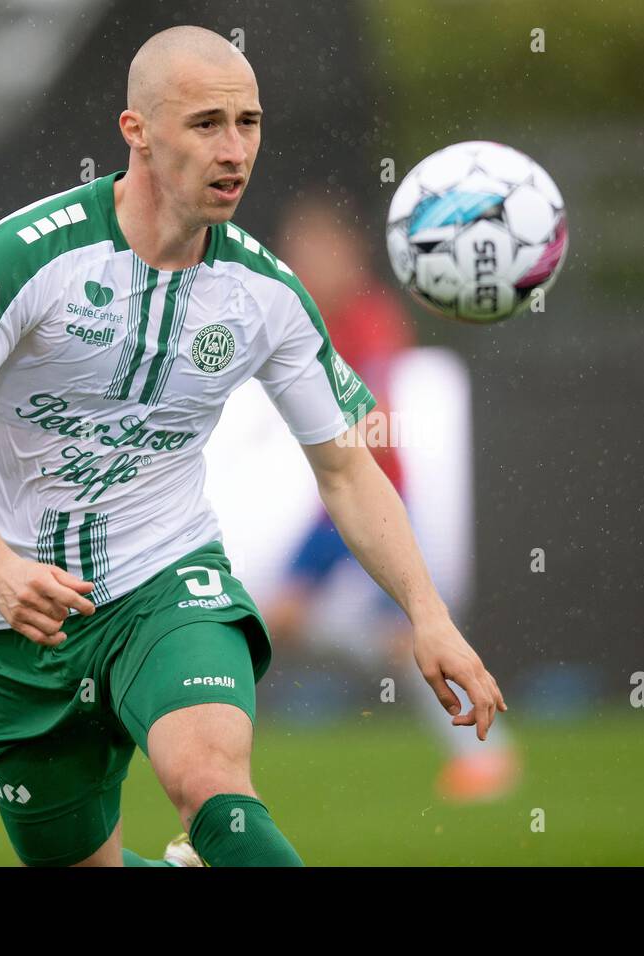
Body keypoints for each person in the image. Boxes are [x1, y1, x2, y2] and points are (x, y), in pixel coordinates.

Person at [0, 25, 505, 867]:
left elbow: (349, 468)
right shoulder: (20, 257)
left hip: (163, 577)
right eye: (206, 123)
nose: (235, 148)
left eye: (248, 123)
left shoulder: (269, 296)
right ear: (136, 131)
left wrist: (430, 618)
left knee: (210, 779)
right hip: (6, 618)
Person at [265, 194, 520, 801]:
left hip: (379, 503)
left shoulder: (371, 316)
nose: (305, 262)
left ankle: (487, 758)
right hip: (333, 508)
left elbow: (373, 412)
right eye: (298, 252)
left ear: (348, 255)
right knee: (284, 622)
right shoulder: (303, 318)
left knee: (382, 636)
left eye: (317, 250)